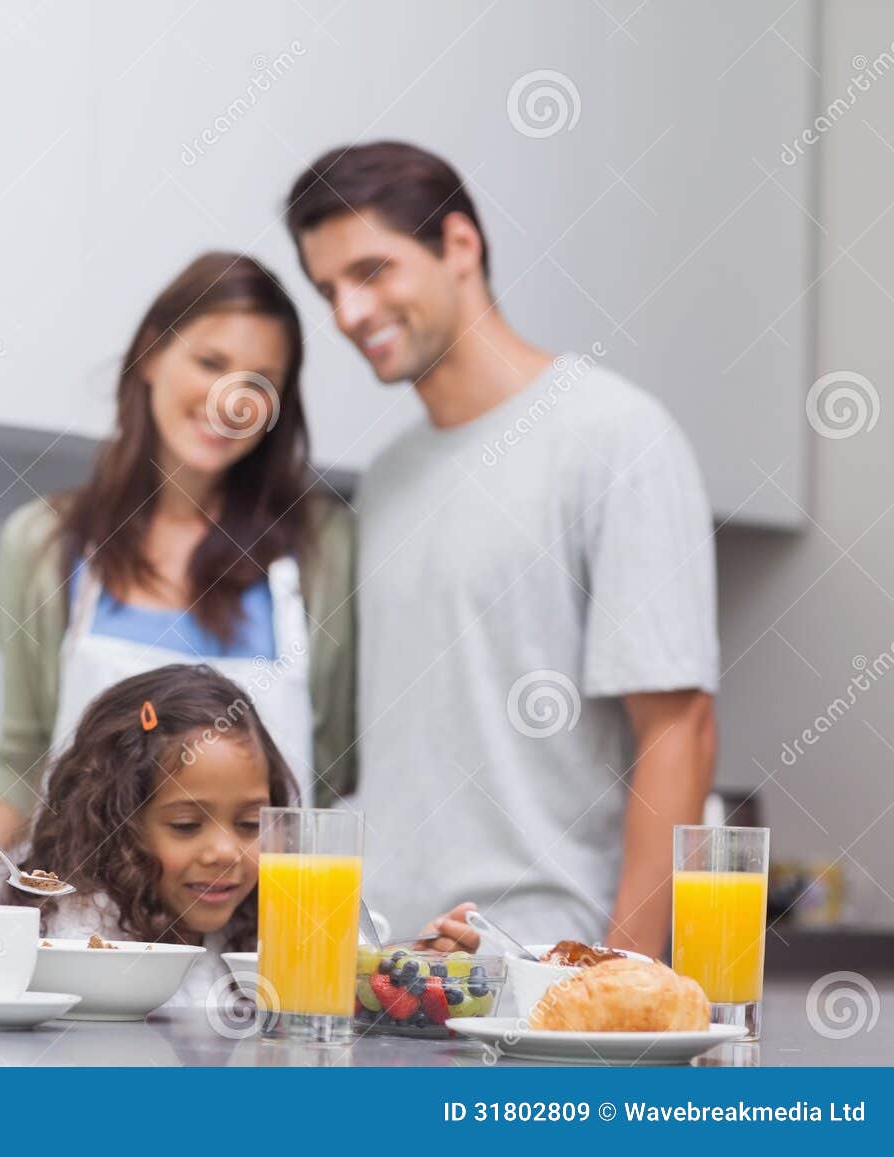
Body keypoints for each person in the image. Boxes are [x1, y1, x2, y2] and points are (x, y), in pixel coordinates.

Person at [285, 141, 718, 955]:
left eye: (372, 271)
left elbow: (679, 728)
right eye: (328, 290)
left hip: (541, 971)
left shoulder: (614, 438)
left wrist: (610, 977)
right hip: (390, 966)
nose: (347, 314)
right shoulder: (388, 476)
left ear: (459, 245)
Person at [0, 252, 358, 845]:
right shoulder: (43, 541)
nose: (233, 400)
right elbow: (24, 769)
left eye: (262, 381)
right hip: (89, 930)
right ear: (152, 354)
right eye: (210, 362)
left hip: (266, 934)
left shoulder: (323, 551)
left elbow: (333, 771)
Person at [2, 664, 478, 1007]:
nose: (226, 852)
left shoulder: (278, 922)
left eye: (251, 824)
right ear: (115, 824)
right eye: (186, 825)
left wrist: (408, 973)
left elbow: (346, 985)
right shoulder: (72, 938)